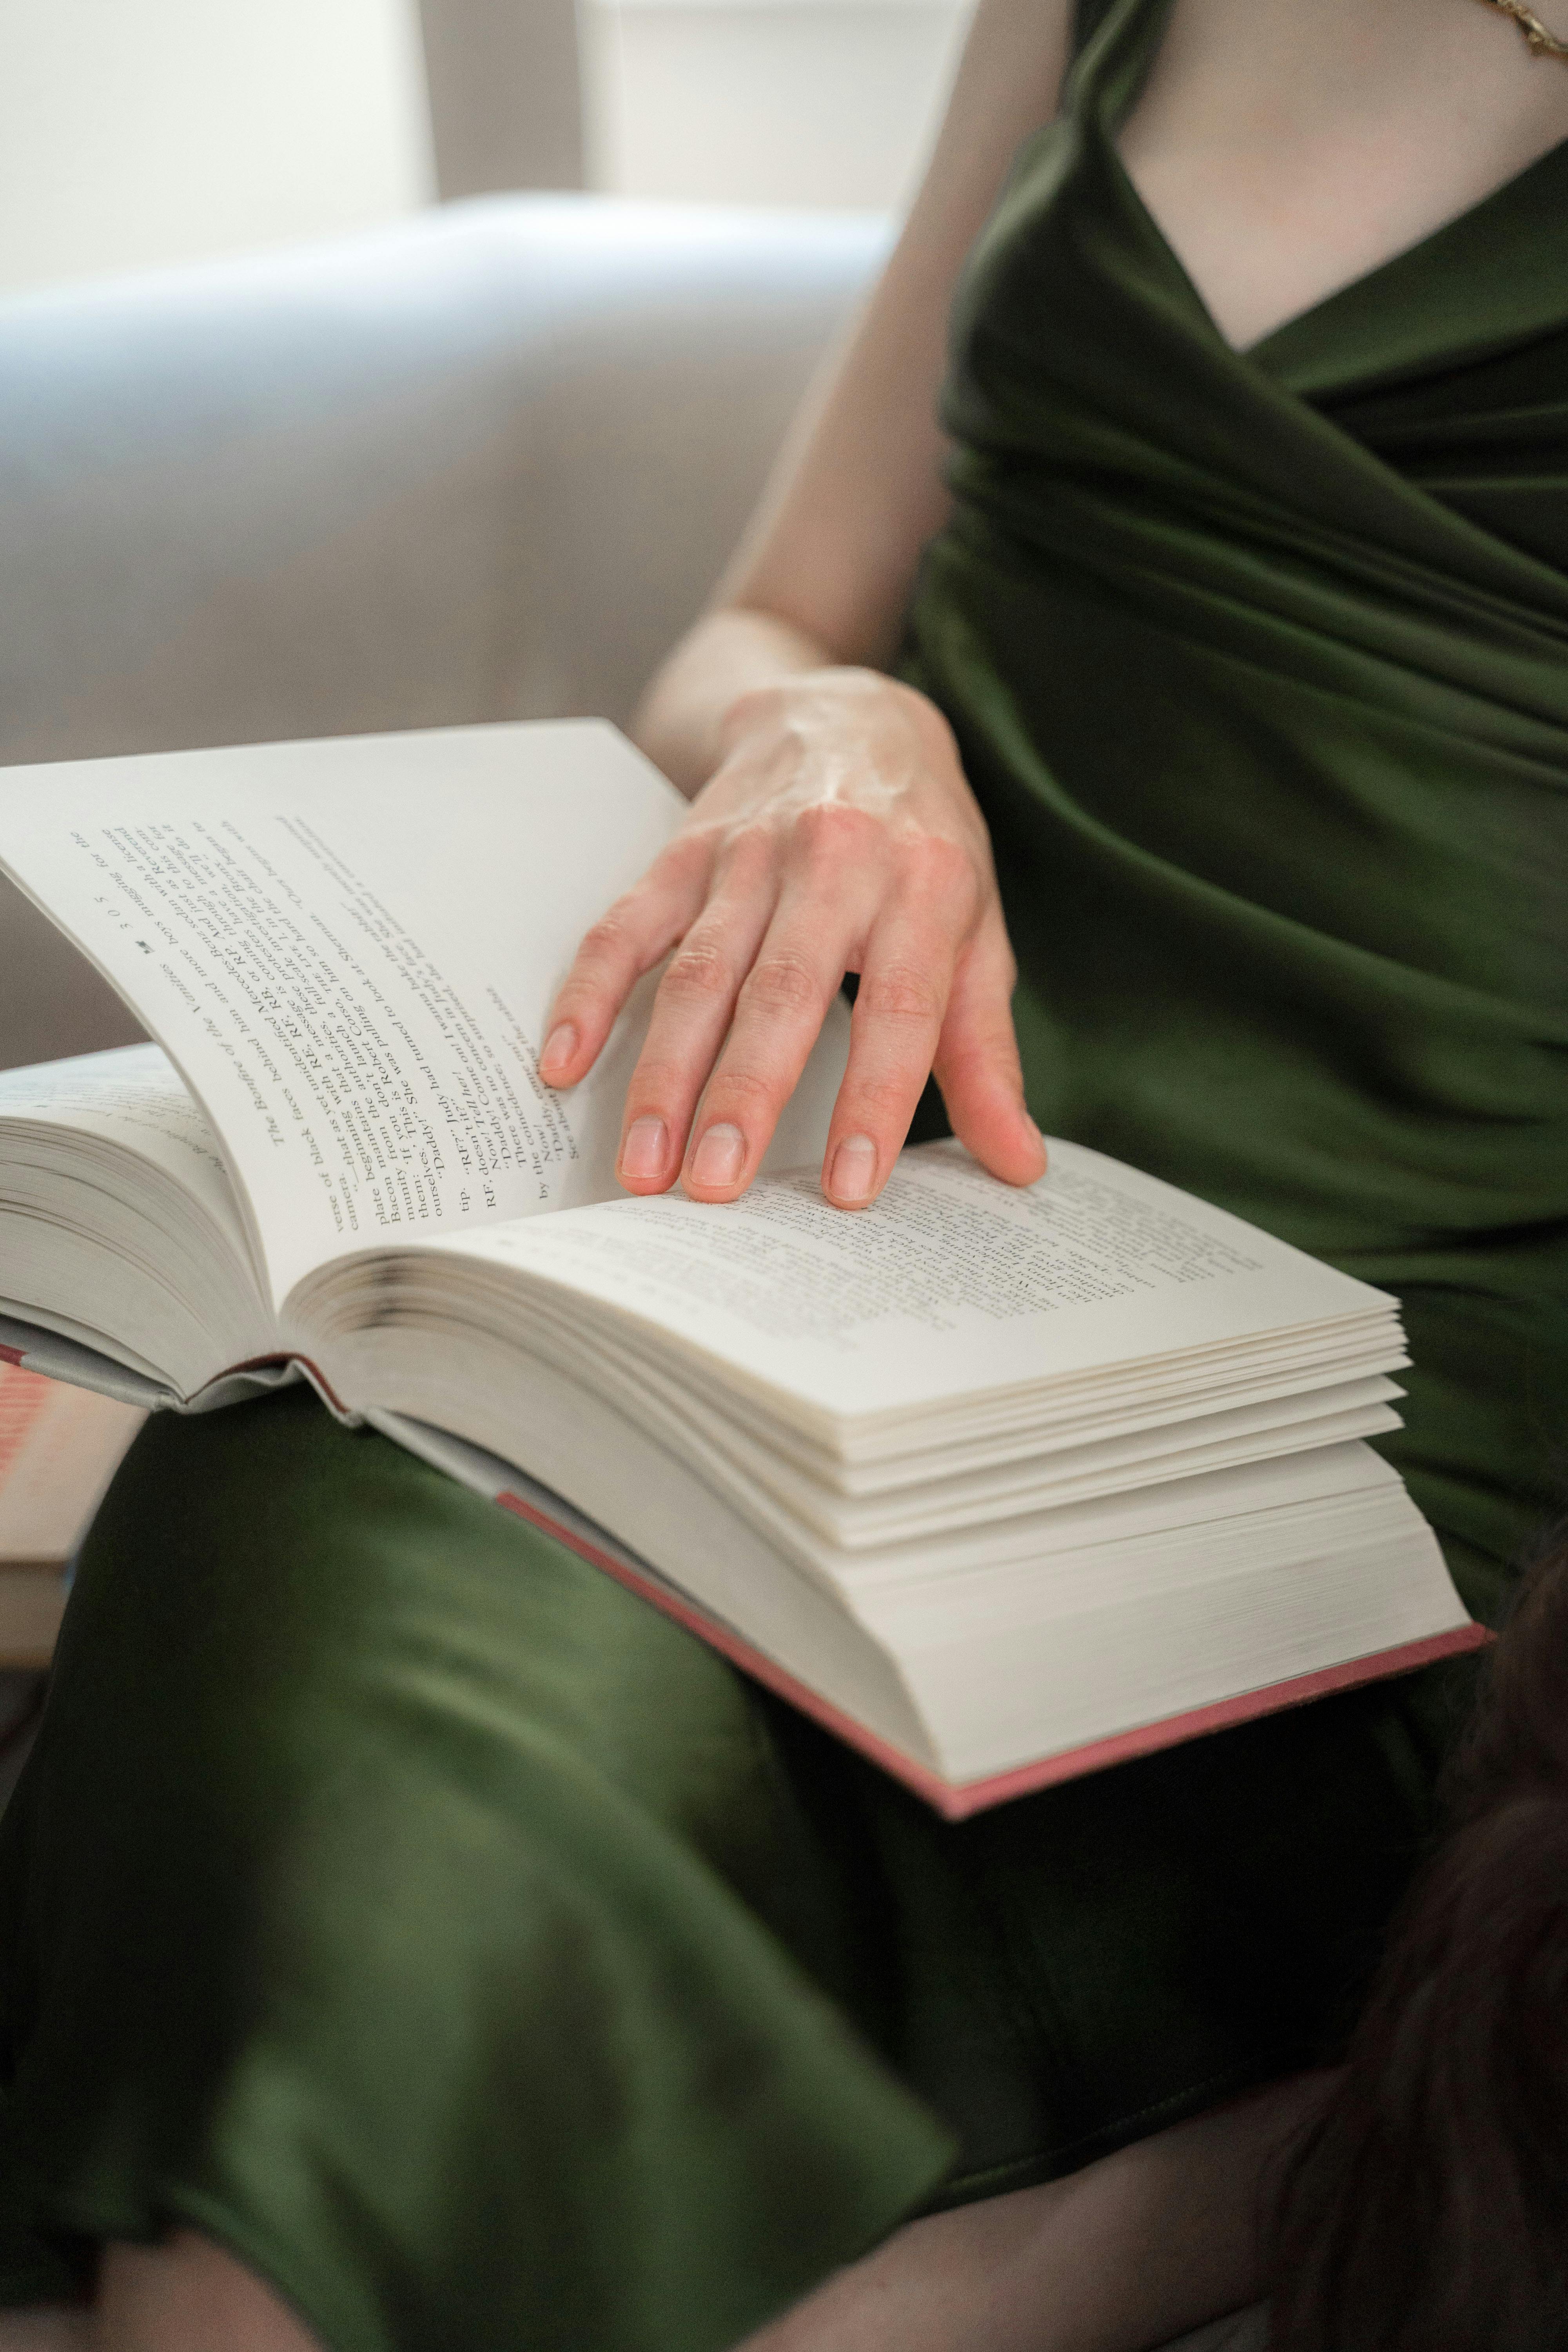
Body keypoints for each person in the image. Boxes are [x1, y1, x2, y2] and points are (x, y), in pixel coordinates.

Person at [2, 0, 1566, 2343]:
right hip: (803, 1203)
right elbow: (762, 626)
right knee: (359, 1613)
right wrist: (840, 718)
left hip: (1370, 1389)